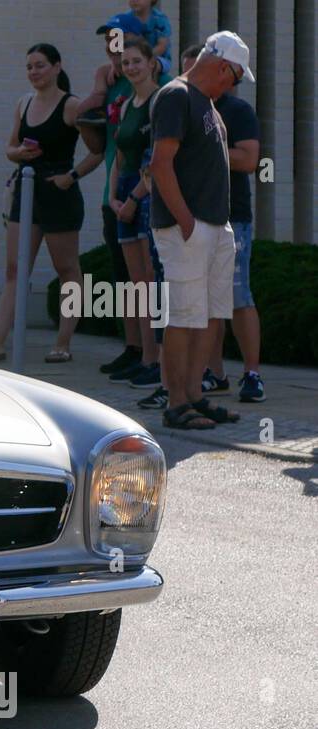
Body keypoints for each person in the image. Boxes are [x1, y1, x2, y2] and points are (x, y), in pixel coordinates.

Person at [0, 44, 101, 364]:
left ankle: (63, 343)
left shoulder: (72, 106)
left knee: (67, 269)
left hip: (59, 193)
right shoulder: (23, 103)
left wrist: (71, 176)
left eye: (40, 65)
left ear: (56, 67)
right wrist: (18, 155)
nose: (34, 72)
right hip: (26, 191)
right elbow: (10, 146)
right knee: (15, 269)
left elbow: (97, 150)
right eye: (29, 67)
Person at [148, 31, 253, 430]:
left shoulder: (208, 104)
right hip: (187, 228)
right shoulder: (176, 95)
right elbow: (161, 163)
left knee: (211, 313)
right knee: (184, 314)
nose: (234, 84)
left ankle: (194, 394)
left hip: (215, 225)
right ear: (223, 66)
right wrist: (186, 222)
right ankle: (176, 403)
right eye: (237, 76)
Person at [180, 44, 265, 403]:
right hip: (196, 216)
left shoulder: (238, 110)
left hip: (234, 216)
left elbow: (249, 160)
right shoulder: (184, 106)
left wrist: (204, 148)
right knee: (204, 300)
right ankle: (213, 373)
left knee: (237, 295)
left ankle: (252, 374)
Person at [103, 39, 165, 399]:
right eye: (125, 62)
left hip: (147, 194)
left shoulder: (161, 101)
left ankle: (157, 359)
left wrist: (133, 199)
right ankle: (143, 356)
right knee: (135, 286)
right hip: (124, 194)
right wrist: (113, 196)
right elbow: (121, 156)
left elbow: (155, 160)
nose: (130, 67)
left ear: (152, 63)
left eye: (137, 61)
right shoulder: (126, 104)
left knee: (151, 281)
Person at [127, 0, 173, 75]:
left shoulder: (159, 18)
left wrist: (144, 58)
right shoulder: (125, 19)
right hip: (131, 59)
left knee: (151, 65)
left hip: (158, 58)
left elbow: (162, 46)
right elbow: (120, 44)